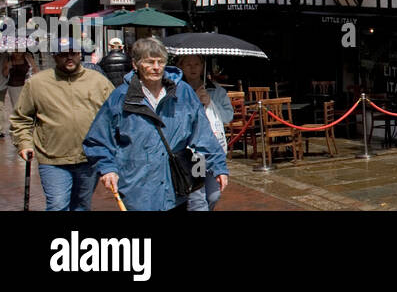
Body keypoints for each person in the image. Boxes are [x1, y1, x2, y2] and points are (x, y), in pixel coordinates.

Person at [83, 36, 229, 211]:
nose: (156, 67)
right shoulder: (121, 97)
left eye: (160, 62)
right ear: (135, 64)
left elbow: (203, 134)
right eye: (150, 62)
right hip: (137, 190)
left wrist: (218, 166)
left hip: (175, 188)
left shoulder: (183, 93)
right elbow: (97, 139)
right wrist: (107, 168)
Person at [9, 37, 114, 211]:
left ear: (80, 54)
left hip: (88, 157)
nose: (69, 58)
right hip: (52, 158)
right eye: (63, 54)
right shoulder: (37, 83)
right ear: (55, 57)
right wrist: (24, 143)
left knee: (81, 206)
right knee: (57, 205)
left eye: (73, 53)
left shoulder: (99, 81)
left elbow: (114, 116)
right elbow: (21, 118)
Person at [177, 55, 232, 210]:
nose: (193, 68)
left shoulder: (216, 90)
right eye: (188, 64)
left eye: (196, 64)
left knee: (214, 195)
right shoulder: (177, 90)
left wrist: (210, 102)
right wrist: (193, 101)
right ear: (181, 67)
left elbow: (228, 116)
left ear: (202, 66)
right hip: (194, 154)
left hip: (213, 148)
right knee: (198, 197)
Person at [2, 49, 39, 138]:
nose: (17, 53)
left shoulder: (28, 57)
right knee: (17, 107)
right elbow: (5, 74)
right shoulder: (9, 59)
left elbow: (36, 71)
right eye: (15, 51)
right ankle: (18, 127)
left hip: (26, 86)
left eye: (19, 51)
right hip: (13, 86)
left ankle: (28, 126)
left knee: (28, 106)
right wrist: (7, 67)